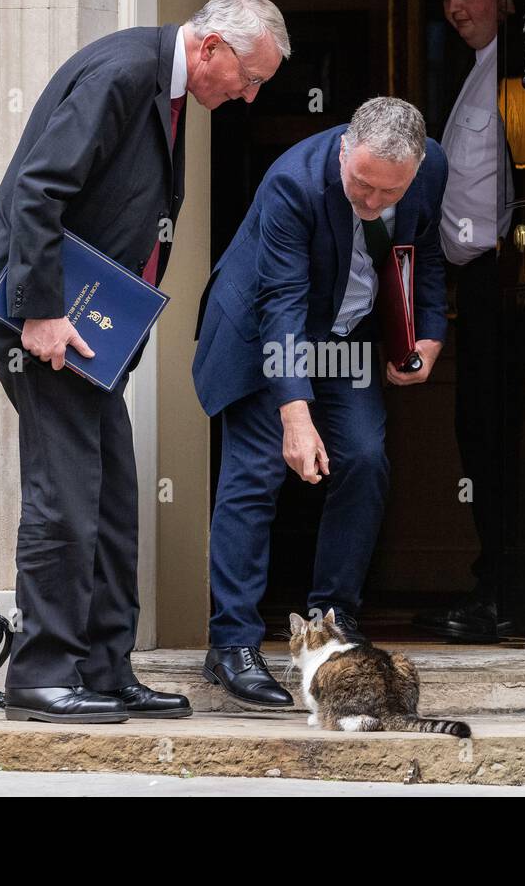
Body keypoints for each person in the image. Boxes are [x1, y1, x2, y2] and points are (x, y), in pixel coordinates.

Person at [0, 0, 290, 724]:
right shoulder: (121, 74)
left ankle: (105, 669)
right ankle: (41, 677)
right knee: (65, 500)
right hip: (45, 328)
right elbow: (39, 192)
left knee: (111, 502)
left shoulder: (163, 85)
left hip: (91, 337)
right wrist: (40, 313)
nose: (249, 94)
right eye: (250, 77)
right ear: (211, 49)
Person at [192, 98, 448, 707]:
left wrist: (429, 330)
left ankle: (334, 618)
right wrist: (295, 414)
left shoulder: (430, 165)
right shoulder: (292, 182)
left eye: (389, 193)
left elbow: (426, 254)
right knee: (255, 476)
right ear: (343, 153)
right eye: (362, 186)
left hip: (347, 333)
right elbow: (280, 302)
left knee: (363, 456)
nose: (373, 203)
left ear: (414, 170)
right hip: (264, 334)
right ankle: (231, 644)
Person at [413, 0, 522, 642]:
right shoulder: (474, 69)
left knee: (495, 436)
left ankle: (505, 595)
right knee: (475, 435)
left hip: (506, 278)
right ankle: (494, 587)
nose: (455, 8)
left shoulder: (519, 68)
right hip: (471, 282)